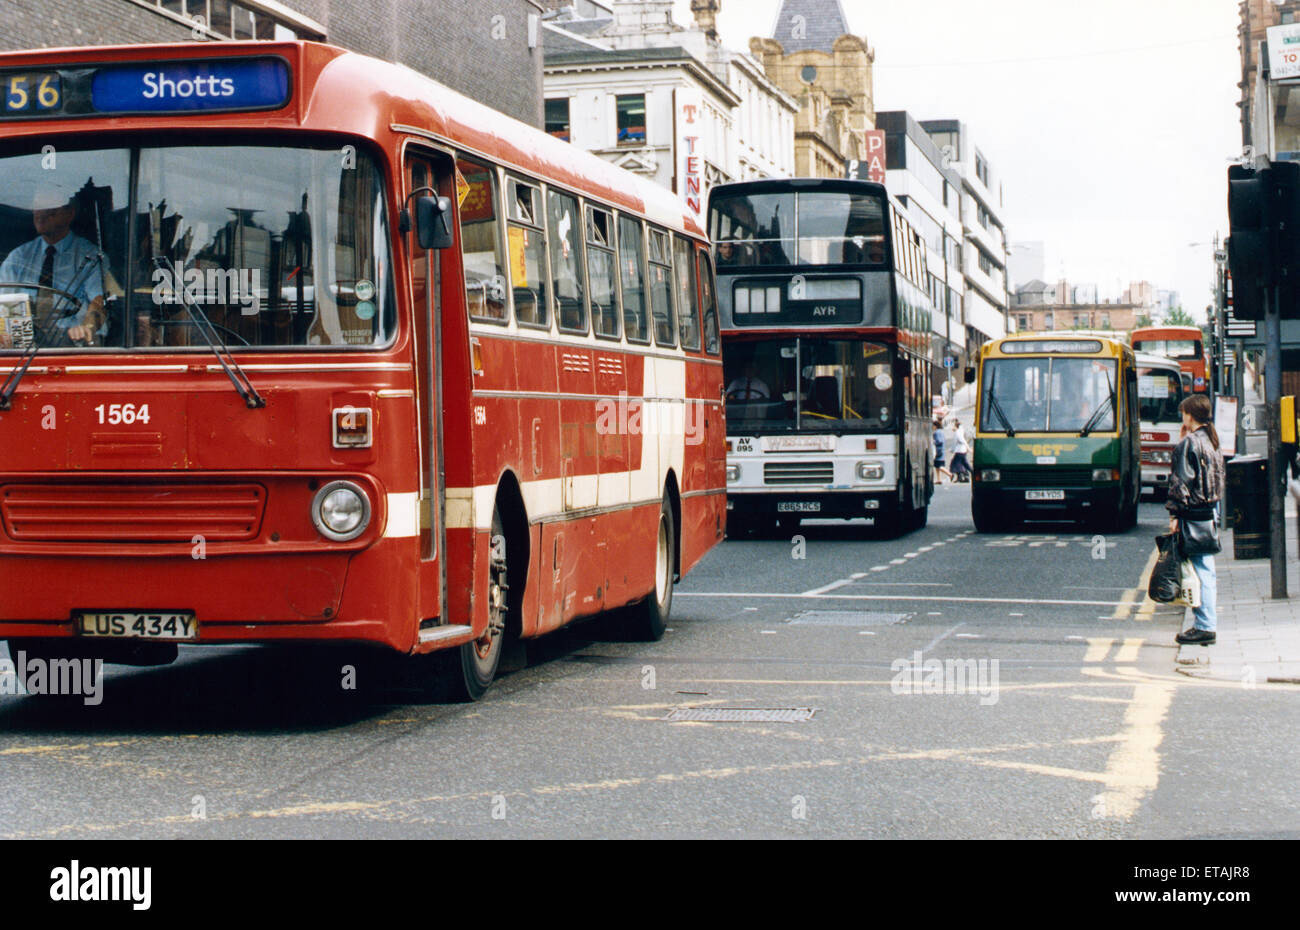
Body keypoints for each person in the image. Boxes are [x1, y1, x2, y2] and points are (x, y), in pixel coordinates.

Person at [0, 185, 105, 348]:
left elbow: (99, 302)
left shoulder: (90, 256)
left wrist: (87, 327)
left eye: (49, 208)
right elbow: (2, 302)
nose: (40, 214)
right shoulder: (18, 257)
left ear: (70, 213)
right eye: (37, 208)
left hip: (71, 345)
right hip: (21, 349)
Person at [1168, 394, 1226, 646]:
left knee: (1197, 571)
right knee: (1206, 570)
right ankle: (1205, 623)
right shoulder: (1213, 441)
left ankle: (1204, 626)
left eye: (1184, 413)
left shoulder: (1189, 443)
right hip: (1210, 511)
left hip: (1192, 514)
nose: (1182, 417)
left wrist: (1174, 514)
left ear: (1189, 415)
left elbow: (1181, 483)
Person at [949, 418, 972, 482]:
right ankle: (967, 475)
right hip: (962, 451)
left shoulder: (958, 432)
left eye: (953, 426)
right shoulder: (961, 431)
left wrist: (952, 450)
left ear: (956, 427)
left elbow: (960, 441)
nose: (952, 428)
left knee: (955, 464)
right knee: (964, 464)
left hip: (960, 451)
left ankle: (961, 476)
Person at [933, 418, 953, 486]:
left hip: (938, 451)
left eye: (933, 426)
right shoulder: (941, 432)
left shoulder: (936, 433)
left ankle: (950, 474)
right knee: (937, 466)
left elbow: (939, 441)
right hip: (941, 451)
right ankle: (939, 479)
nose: (932, 427)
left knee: (939, 466)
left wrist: (934, 442)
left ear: (935, 426)